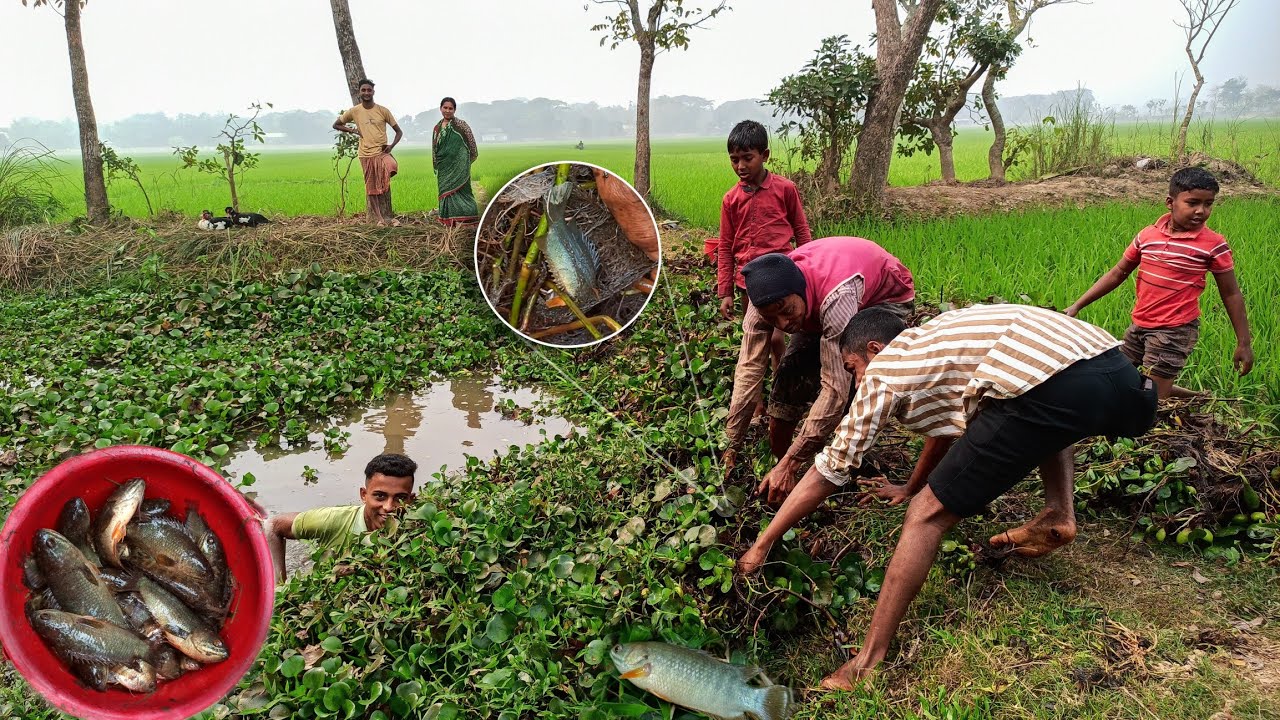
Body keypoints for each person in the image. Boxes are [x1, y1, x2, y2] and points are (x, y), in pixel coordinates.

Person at [736, 304, 1158, 689]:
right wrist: (909, 485)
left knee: (925, 517)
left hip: (1052, 387)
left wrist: (762, 543)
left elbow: (828, 470)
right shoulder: (938, 342)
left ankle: (866, 663)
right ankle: (1058, 511)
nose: (856, 381)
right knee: (1040, 403)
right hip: (1118, 377)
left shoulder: (886, 371)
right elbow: (948, 431)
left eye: (852, 368)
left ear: (874, 349)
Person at [725, 238, 915, 505]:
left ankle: (849, 465)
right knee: (790, 375)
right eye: (772, 318)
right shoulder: (763, 306)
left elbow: (833, 389)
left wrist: (793, 462)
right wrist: (731, 443)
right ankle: (782, 464)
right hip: (819, 301)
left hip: (883, 298)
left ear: (800, 290)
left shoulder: (836, 299)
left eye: (786, 311)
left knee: (856, 387)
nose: (783, 324)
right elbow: (748, 369)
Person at [1065, 167, 1252, 398]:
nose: (1201, 211)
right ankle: (1197, 397)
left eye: (1208, 204)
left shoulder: (1213, 244)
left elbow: (1231, 293)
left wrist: (1244, 343)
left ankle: (1162, 404)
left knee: (1150, 400)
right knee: (1119, 379)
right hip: (1140, 325)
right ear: (1170, 202)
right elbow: (1118, 272)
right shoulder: (1147, 236)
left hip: (1175, 330)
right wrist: (1077, 305)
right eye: (1192, 203)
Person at [716, 120, 813, 408]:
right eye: (734, 160)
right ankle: (756, 402)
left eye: (748, 158)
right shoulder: (731, 200)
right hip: (749, 282)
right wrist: (725, 291)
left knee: (777, 337)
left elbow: (801, 230)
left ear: (765, 155)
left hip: (783, 277)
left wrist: (808, 270)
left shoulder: (785, 189)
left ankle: (783, 388)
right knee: (756, 339)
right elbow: (725, 245)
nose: (741, 166)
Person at [264, 453, 418, 583]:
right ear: (363, 495)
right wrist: (279, 587)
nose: (388, 507)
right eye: (380, 496)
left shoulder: (418, 535)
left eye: (400, 498)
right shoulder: (332, 520)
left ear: (411, 500)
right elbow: (272, 526)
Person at [333, 78, 402, 226]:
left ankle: (387, 216)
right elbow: (336, 124)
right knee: (371, 188)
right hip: (365, 154)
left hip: (382, 152)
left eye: (369, 90)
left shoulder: (383, 111)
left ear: (373, 92)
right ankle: (380, 219)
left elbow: (398, 132)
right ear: (359, 92)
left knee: (391, 168)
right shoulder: (355, 111)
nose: (366, 92)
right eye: (363, 90)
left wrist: (392, 146)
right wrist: (353, 130)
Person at [432, 97, 479, 226]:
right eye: (445, 108)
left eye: (450, 108)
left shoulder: (461, 125)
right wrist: (437, 163)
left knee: (463, 191)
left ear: (454, 110)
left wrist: (463, 163)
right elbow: (435, 148)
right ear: (440, 108)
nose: (447, 111)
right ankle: (447, 218)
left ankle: (469, 217)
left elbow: (472, 146)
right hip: (444, 167)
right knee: (445, 193)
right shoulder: (437, 128)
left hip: (460, 167)